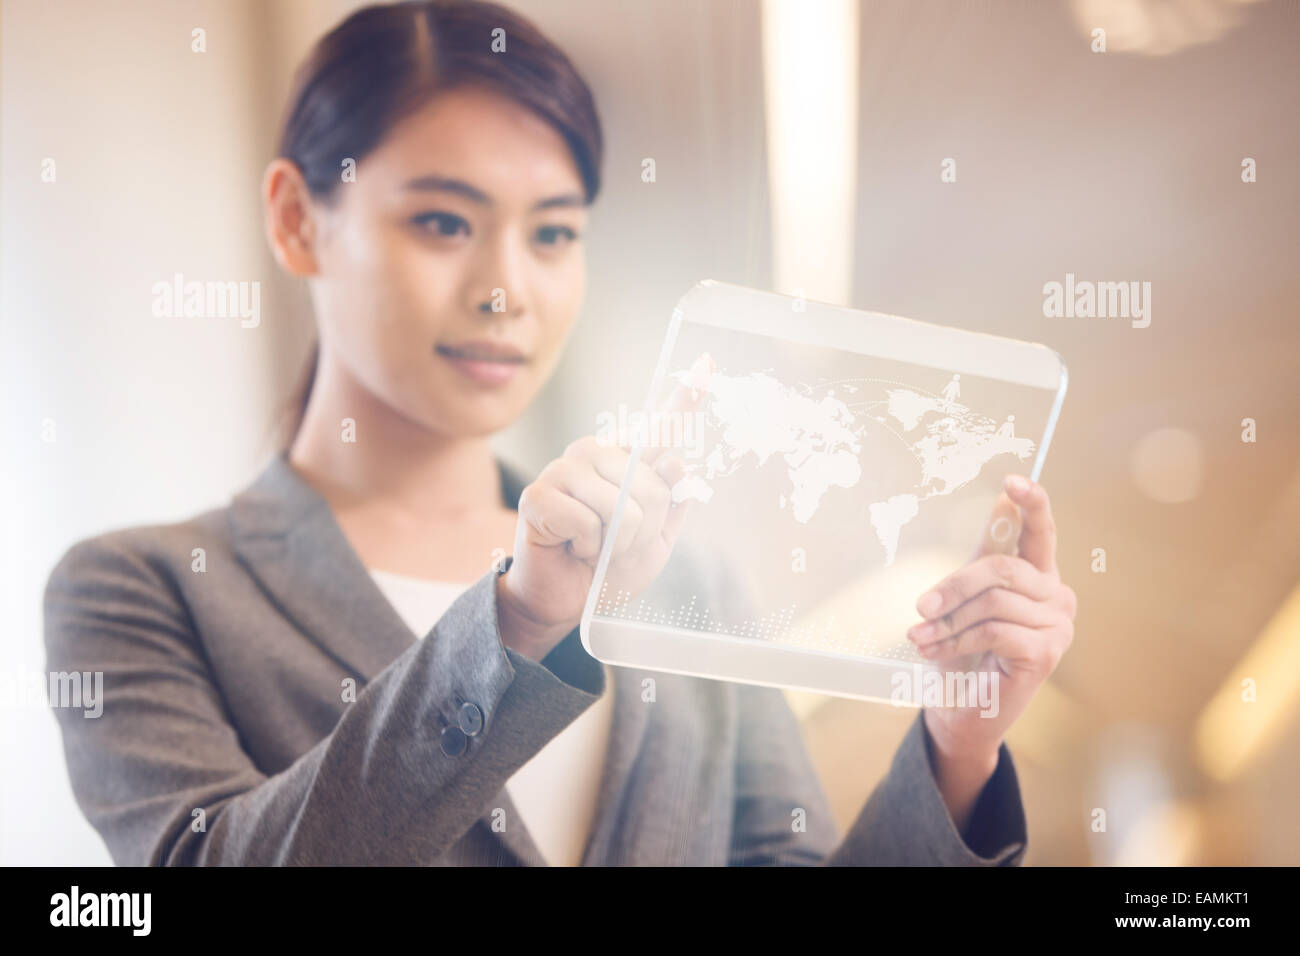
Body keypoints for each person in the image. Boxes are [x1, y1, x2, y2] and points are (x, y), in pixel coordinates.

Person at [43, 0, 1076, 866]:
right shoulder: (145, 587)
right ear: (295, 218)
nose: (506, 290)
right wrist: (521, 622)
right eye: (443, 221)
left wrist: (956, 750)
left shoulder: (689, 586)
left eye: (553, 233)